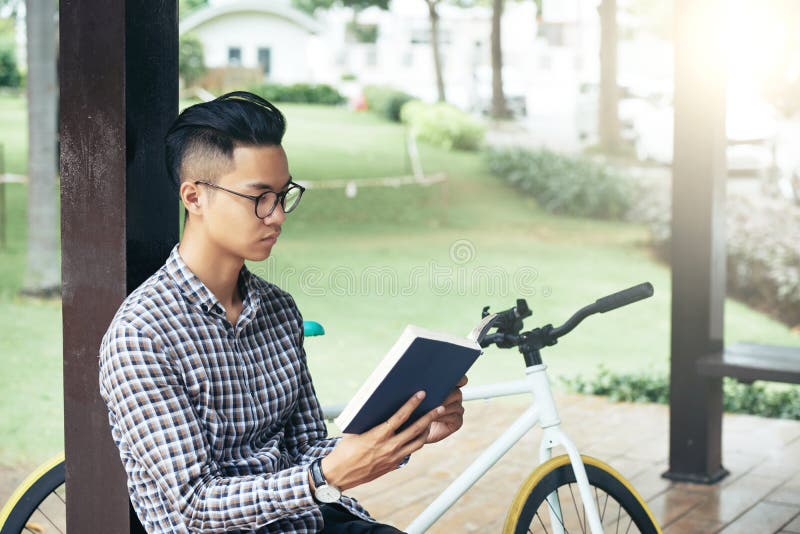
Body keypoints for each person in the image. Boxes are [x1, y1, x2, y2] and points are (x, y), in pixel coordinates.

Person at [98, 91, 467, 533]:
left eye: (283, 194)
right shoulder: (141, 336)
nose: (277, 216)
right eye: (259, 197)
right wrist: (321, 479)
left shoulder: (277, 309)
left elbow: (308, 449)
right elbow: (194, 504)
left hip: (308, 522)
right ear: (194, 197)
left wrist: (407, 432)